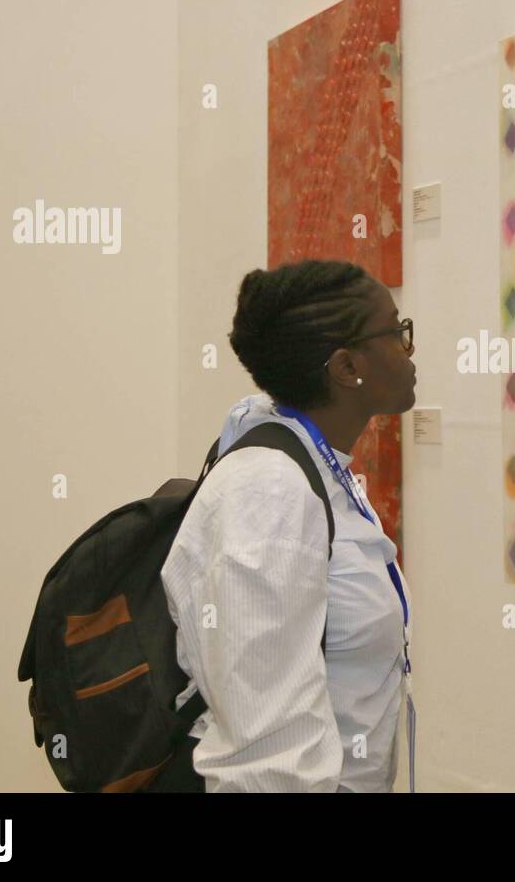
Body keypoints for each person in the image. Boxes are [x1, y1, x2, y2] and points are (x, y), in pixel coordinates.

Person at [159, 259, 416, 791]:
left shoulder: (317, 470)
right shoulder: (268, 494)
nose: (409, 349)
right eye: (396, 332)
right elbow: (266, 757)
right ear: (347, 368)